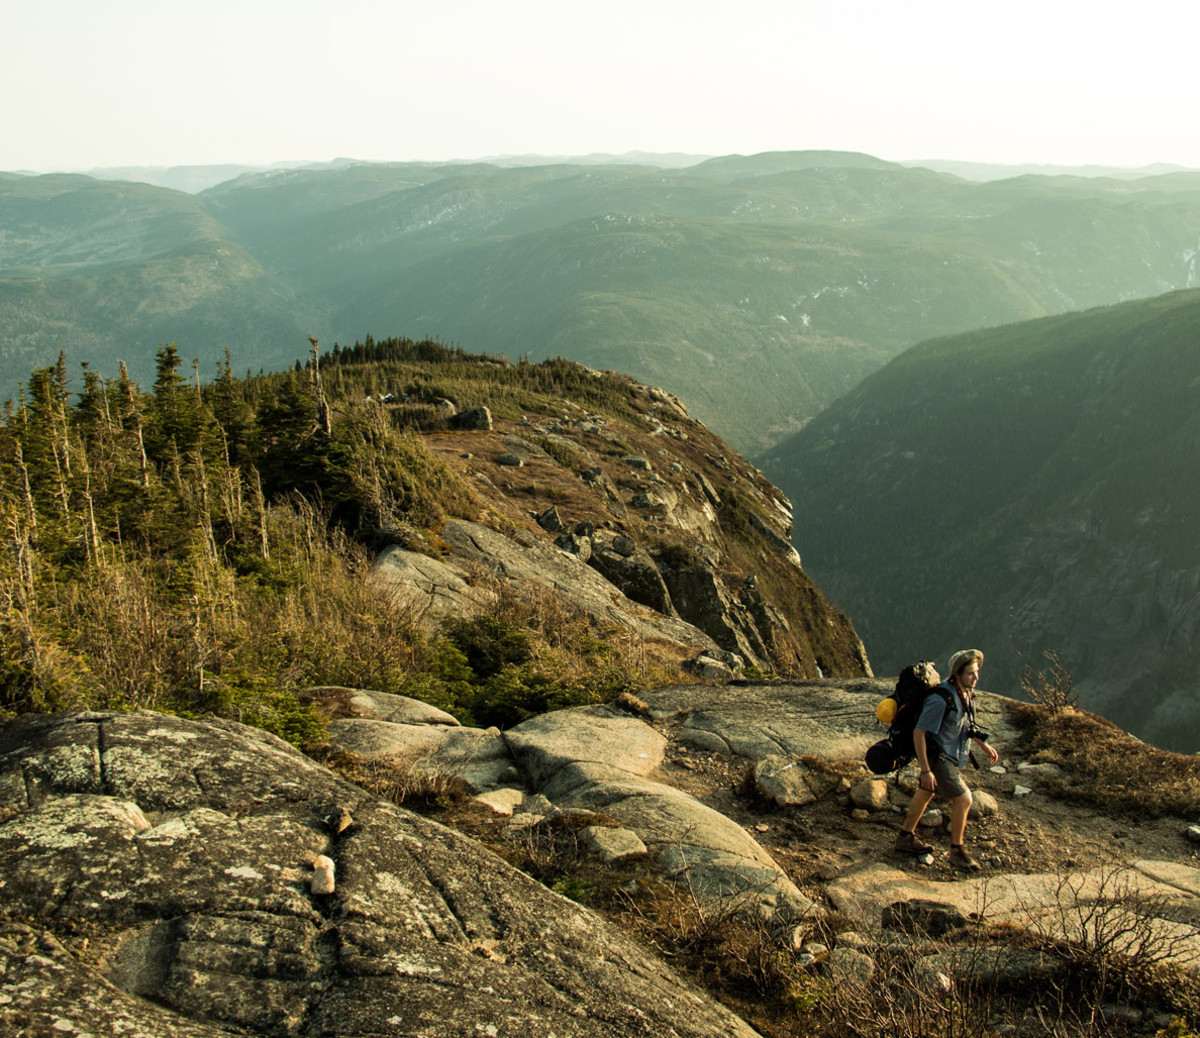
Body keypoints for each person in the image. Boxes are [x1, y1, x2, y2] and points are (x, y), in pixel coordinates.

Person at [894, 648, 999, 870]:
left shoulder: (966, 695)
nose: (976, 677)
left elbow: (965, 725)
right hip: (937, 757)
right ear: (957, 675)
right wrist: (925, 770)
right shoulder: (941, 700)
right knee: (964, 800)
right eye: (971, 673)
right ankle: (956, 851)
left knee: (925, 793)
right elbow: (919, 732)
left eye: (977, 672)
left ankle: (905, 838)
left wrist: (983, 744)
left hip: (948, 756)